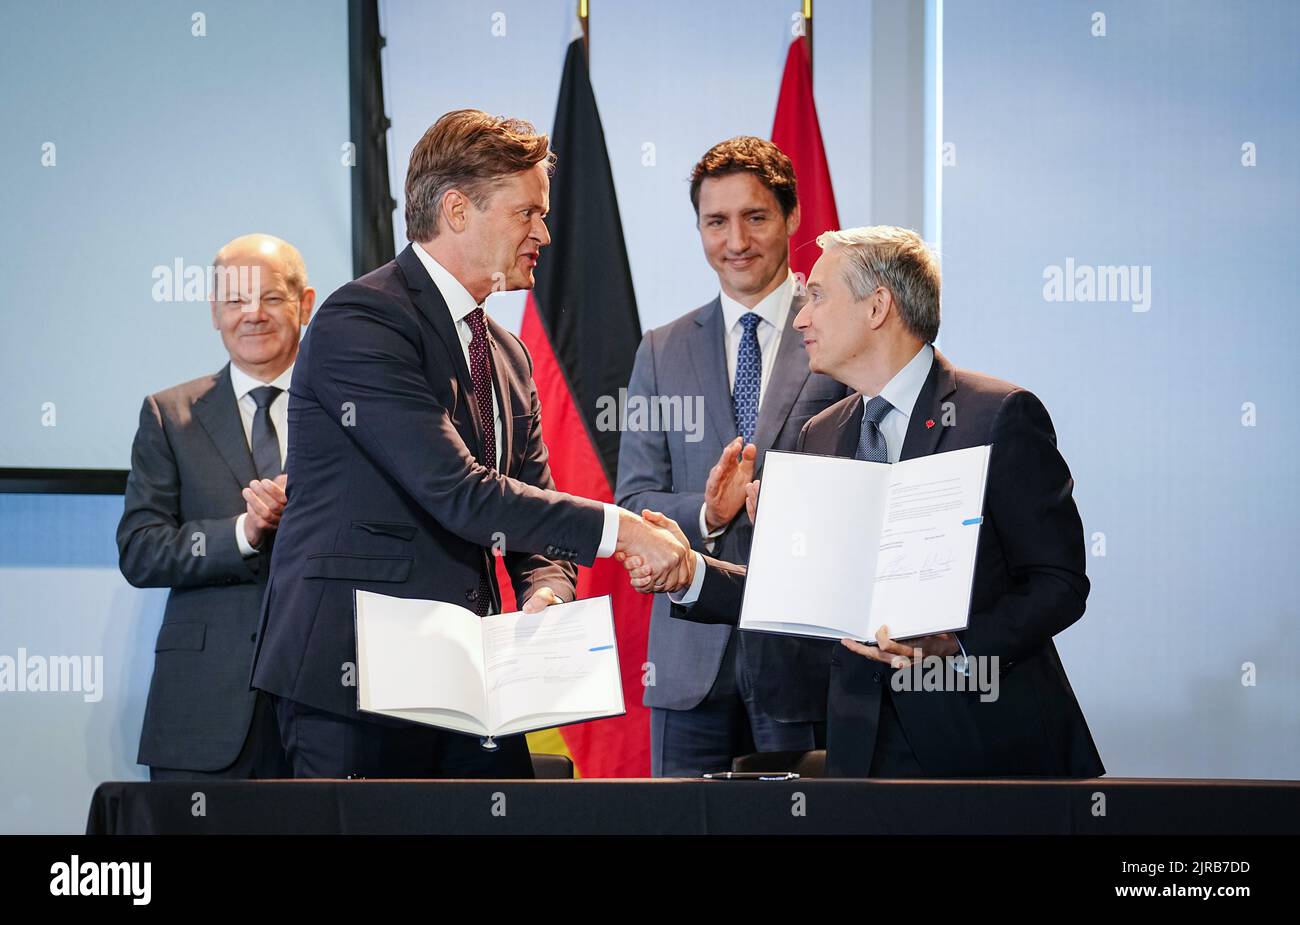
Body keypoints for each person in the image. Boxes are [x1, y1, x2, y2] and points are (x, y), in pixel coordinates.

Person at [249, 109, 687, 779]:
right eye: (527, 213)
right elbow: (458, 491)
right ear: (457, 209)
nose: (543, 231)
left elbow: (533, 507)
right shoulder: (361, 319)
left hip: (472, 687)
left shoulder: (507, 354)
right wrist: (621, 530)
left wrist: (547, 593)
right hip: (354, 685)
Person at [626, 226, 1105, 778]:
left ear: (878, 307)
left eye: (819, 297)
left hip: (986, 747)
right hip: (863, 753)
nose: (801, 318)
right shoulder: (821, 434)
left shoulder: (998, 415)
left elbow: (1059, 582)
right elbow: (797, 597)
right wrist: (689, 572)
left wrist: (957, 647)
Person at [616, 137, 846, 776]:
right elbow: (633, 501)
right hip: (688, 666)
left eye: (756, 216)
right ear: (699, 229)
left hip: (804, 660)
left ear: (793, 218)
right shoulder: (660, 350)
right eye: (716, 222)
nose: (736, 240)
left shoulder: (840, 331)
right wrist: (709, 517)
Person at [118, 233, 312, 780]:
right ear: (214, 311)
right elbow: (140, 552)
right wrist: (243, 533)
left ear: (306, 302)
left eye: (271, 297)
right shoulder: (168, 415)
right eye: (234, 300)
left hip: (330, 708)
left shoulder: (349, 409)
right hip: (203, 716)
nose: (252, 314)